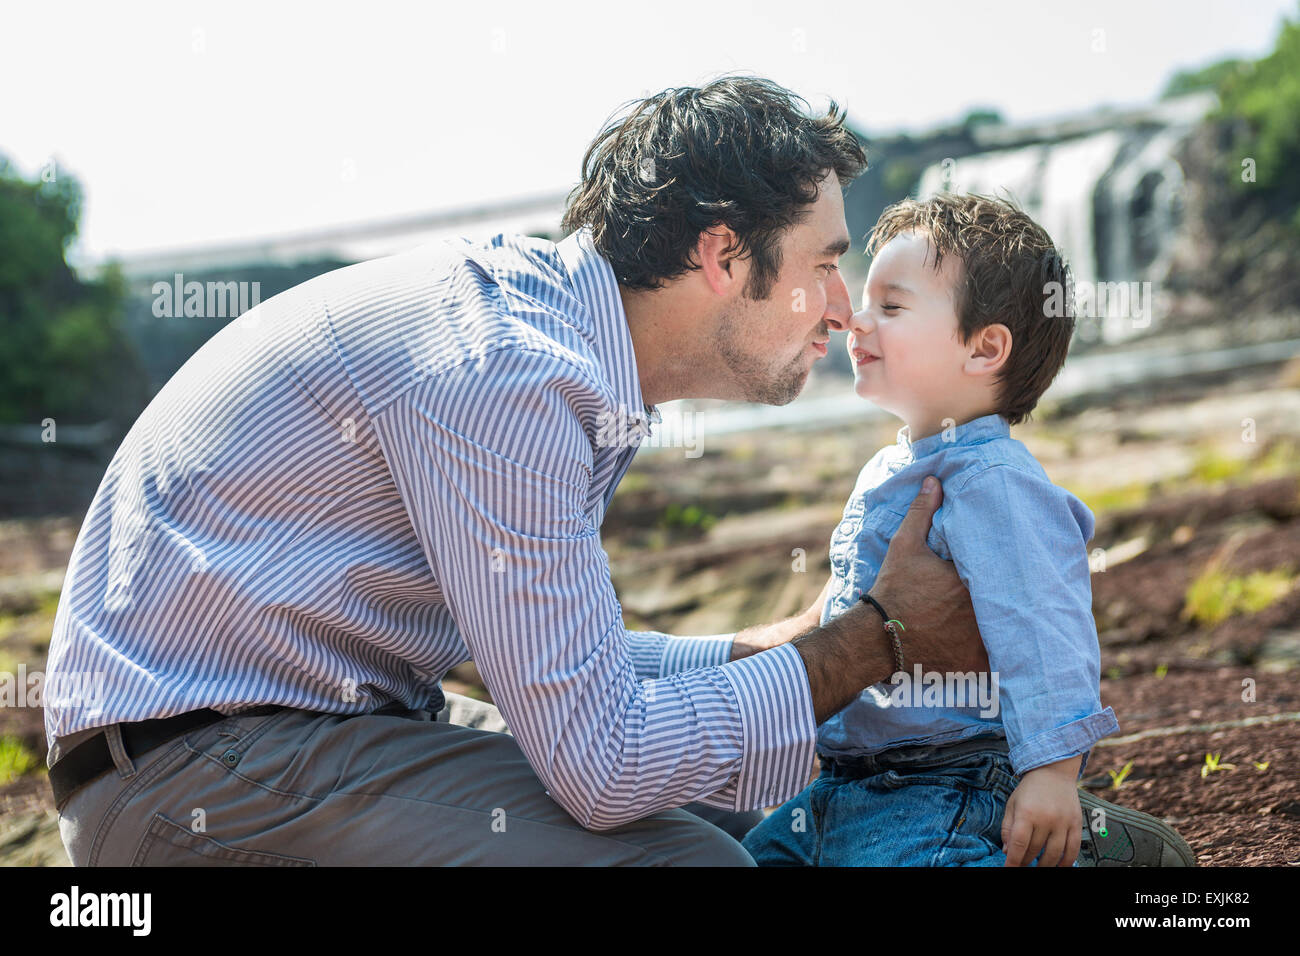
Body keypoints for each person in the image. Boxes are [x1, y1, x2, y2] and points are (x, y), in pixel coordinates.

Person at [43, 77, 1182, 866]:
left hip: (294, 732)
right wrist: (871, 639)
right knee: (685, 856)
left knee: (743, 786)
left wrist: (775, 648)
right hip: (200, 777)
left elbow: (535, 660)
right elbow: (596, 762)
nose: (843, 309)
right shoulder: (510, 380)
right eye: (829, 263)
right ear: (723, 253)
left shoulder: (564, 358)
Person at [742, 194, 1195, 867]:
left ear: (985, 348)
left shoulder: (995, 482)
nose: (856, 321)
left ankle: (1080, 849)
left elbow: (1045, 624)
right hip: (846, 782)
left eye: (891, 308)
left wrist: (1052, 776)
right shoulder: (892, 465)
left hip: (944, 779)